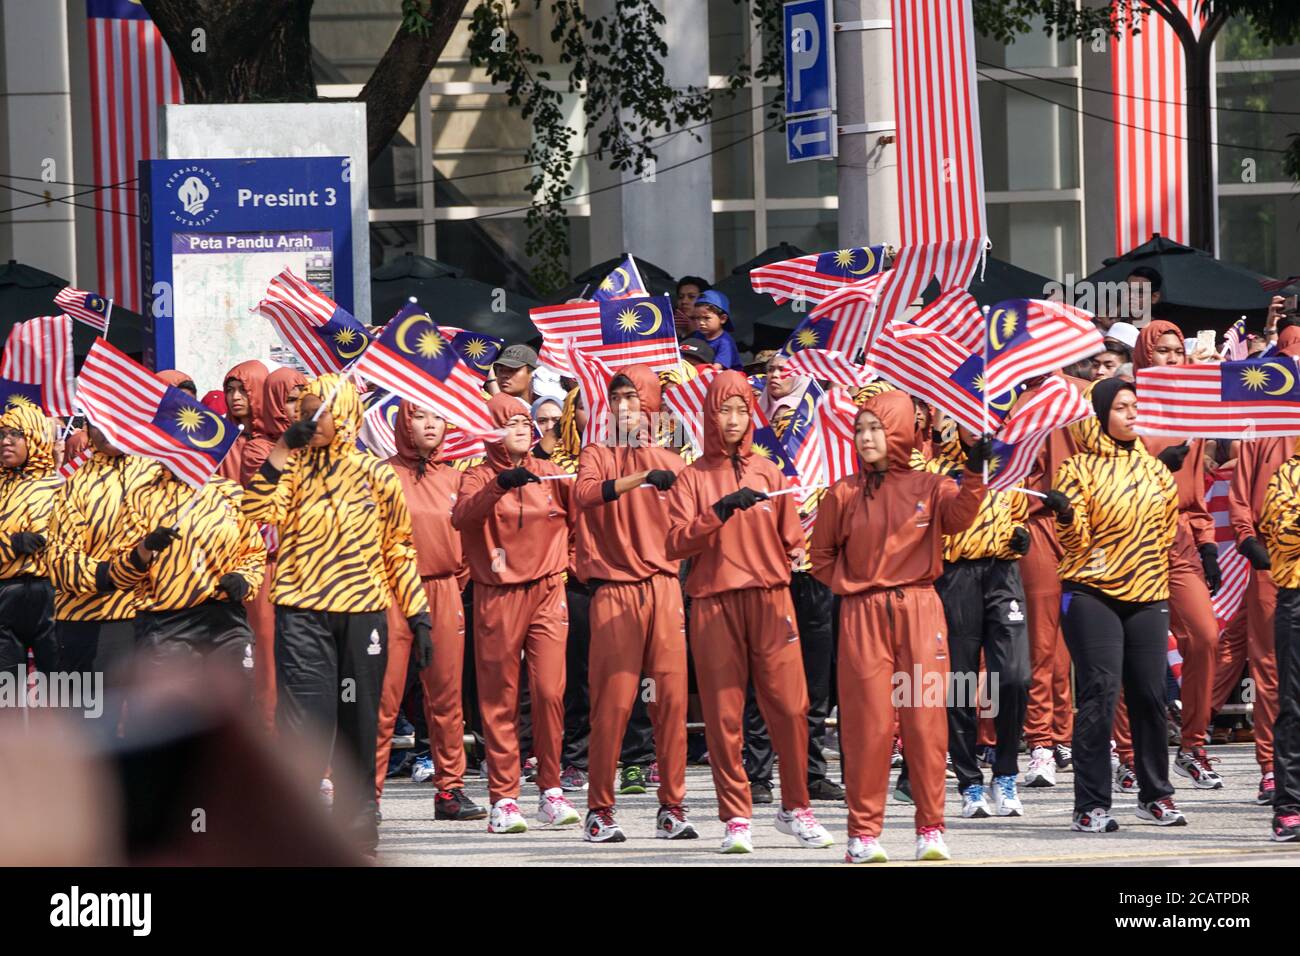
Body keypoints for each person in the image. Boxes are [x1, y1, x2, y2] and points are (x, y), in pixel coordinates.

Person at [243, 372, 431, 855]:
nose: (311, 417)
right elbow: (255, 509)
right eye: (305, 409)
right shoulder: (293, 467)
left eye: (320, 408)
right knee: (306, 722)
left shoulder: (376, 475)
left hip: (363, 613)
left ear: (345, 412)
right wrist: (283, 447)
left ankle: (359, 823)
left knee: (359, 720)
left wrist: (418, 614)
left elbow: (399, 548)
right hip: (301, 611)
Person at [810, 391, 988, 862]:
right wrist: (852, 586)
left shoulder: (931, 486)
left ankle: (930, 828)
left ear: (901, 432)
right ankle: (863, 834)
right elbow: (821, 557)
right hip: (861, 616)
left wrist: (975, 469)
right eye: (860, 429)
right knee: (866, 728)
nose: (866, 438)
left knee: (926, 724)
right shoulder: (843, 492)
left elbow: (961, 516)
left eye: (876, 428)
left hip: (921, 609)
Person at [666, 371, 832, 855]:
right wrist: (718, 512)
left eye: (741, 409)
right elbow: (675, 541)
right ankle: (736, 816)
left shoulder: (769, 473)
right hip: (715, 602)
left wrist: (795, 553)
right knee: (723, 715)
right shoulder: (692, 476)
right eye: (724, 409)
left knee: (791, 708)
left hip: (771, 599)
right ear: (709, 414)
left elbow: (792, 538)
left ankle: (796, 807)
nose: (734, 419)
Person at [1043, 378, 1184, 832]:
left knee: (1149, 694)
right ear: (1100, 413)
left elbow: (1166, 532)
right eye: (1122, 407)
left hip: (1148, 592)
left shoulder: (1156, 471)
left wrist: (1138, 563)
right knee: (1100, 693)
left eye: (1134, 405)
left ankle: (1155, 797)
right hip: (1090, 591)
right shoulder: (1077, 469)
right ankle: (1090, 805)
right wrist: (1066, 513)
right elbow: (1074, 542)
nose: (1132, 413)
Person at [574, 365, 696, 842]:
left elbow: (689, 533)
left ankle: (673, 806)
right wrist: (642, 476)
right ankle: (599, 810)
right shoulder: (598, 453)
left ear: (651, 405)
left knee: (671, 704)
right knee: (612, 704)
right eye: (618, 398)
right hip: (614, 590)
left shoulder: (677, 463)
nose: (624, 407)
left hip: (665, 588)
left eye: (633, 397)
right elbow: (584, 494)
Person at [451, 393, 580, 834]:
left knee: (548, 692)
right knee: (499, 698)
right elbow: (463, 518)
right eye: (512, 422)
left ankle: (550, 789)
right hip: (497, 593)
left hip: (547, 591)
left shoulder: (551, 473)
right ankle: (504, 799)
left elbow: (582, 514)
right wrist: (501, 484)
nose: (523, 428)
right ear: (491, 430)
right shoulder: (476, 476)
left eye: (527, 421)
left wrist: (571, 560)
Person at [373, 401, 486, 822]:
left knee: (446, 698)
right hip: (391, 593)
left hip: (443, 592)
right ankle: (370, 794)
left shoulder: (457, 477)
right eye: (421, 416)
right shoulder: (381, 474)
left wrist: (450, 587)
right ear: (404, 421)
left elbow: (468, 543)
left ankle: (450, 791)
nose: (431, 425)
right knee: (384, 699)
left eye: (438, 417)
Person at [1128, 322, 1223, 790]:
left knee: (1205, 636)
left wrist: (1207, 543)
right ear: (1145, 355)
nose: (1171, 359)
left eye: (1177, 352)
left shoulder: (1192, 411)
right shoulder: (1126, 405)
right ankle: (1127, 753)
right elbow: (1111, 474)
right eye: (1161, 351)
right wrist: (1152, 468)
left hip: (1180, 536)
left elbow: (1196, 494)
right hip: (1131, 538)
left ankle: (1194, 743)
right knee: (1131, 654)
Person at [747, 350, 843, 804]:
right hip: (766, 562)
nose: (775, 376)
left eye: (785, 369)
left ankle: (810, 769)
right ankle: (759, 773)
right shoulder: (751, 423)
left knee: (815, 674)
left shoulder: (826, 416)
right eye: (769, 371)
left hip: (816, 563)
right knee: (764, 670)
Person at [924, 427, 1030, 819]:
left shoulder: (1011, 462)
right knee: (959, 683)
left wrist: (1022, 536)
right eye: (965, 415)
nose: (979, 425)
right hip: (955, 577)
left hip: (1003, 575)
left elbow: (1020, 516)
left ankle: (1005, 773)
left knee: (1015, 676)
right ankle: (969, 781)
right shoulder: (935, 468)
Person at [1227, 325, 1300, 804]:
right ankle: (1272, 767)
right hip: (1274, 567)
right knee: (1271, 671)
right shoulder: (1260, 431)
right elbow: (1239, 497)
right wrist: (1251, 543)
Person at [110, 461, 266, 679]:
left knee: (233, 705)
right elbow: (119, 573)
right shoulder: (141, 497)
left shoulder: (229, 492)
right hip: (168, 623)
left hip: (226, 618)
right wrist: (145, 548)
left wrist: (244, 579)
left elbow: (253, 551)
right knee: (174, 710)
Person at [46, 426, 154, 699]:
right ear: (88, 427)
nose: (110, 427)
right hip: (89, 617)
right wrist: (111, 573)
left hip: (154, 617)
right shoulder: (74, 483)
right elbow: (60, 559)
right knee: (87, 727)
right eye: (100, 420)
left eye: (117, 416)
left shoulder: (157, 474)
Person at [1019, 371, 1089, 788]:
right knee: (1043, 644)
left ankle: (1076, 738)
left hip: (1087, 528)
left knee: (1081, 643)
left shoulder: (1087, 396)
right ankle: (1042, 743)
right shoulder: (1017, 398)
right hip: (1040, 527)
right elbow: (1008, 475)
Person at [1257, 442, 1300, 840]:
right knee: (1294, 705)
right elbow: (1282, 536)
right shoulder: (1287, 475)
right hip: (1296, 597)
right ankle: (1289, 807)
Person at [0, 403, 60, 675]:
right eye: (1, 434)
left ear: (35, 436)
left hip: (52, 596)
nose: (6, 441)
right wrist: (10, 545)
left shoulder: (60, 486)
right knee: (6, 693)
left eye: (16, 433)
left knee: (65, 687)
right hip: (4, 595)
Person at [218, 360, 269, 484]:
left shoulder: (277, 440)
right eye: (230, 390)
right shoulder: (218, 440)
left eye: (243, 390)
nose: (235, 397)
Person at [683, 290, 743, 371]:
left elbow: (716, 368)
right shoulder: (697, 335)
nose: (701, 322)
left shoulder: (726, 342)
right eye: (697, 318)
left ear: (722, 319)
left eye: (706, 318)